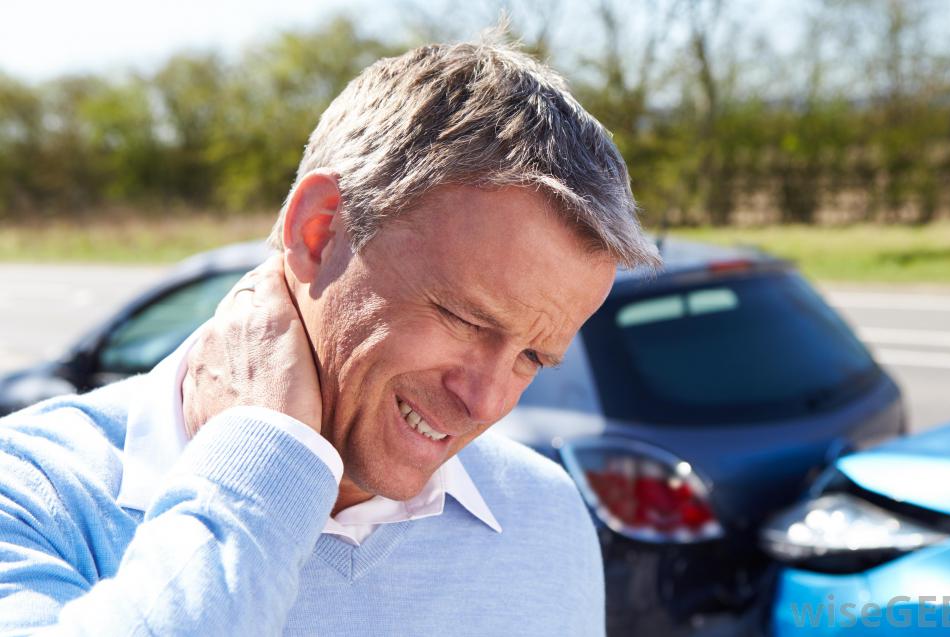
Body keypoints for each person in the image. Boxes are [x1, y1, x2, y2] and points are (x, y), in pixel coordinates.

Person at [0, 37, 659, 636]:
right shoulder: (29, 493)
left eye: (532, 357)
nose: (485, 402)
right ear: (318, 230)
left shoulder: (546, 514)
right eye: (465, 318)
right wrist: (259, 469)